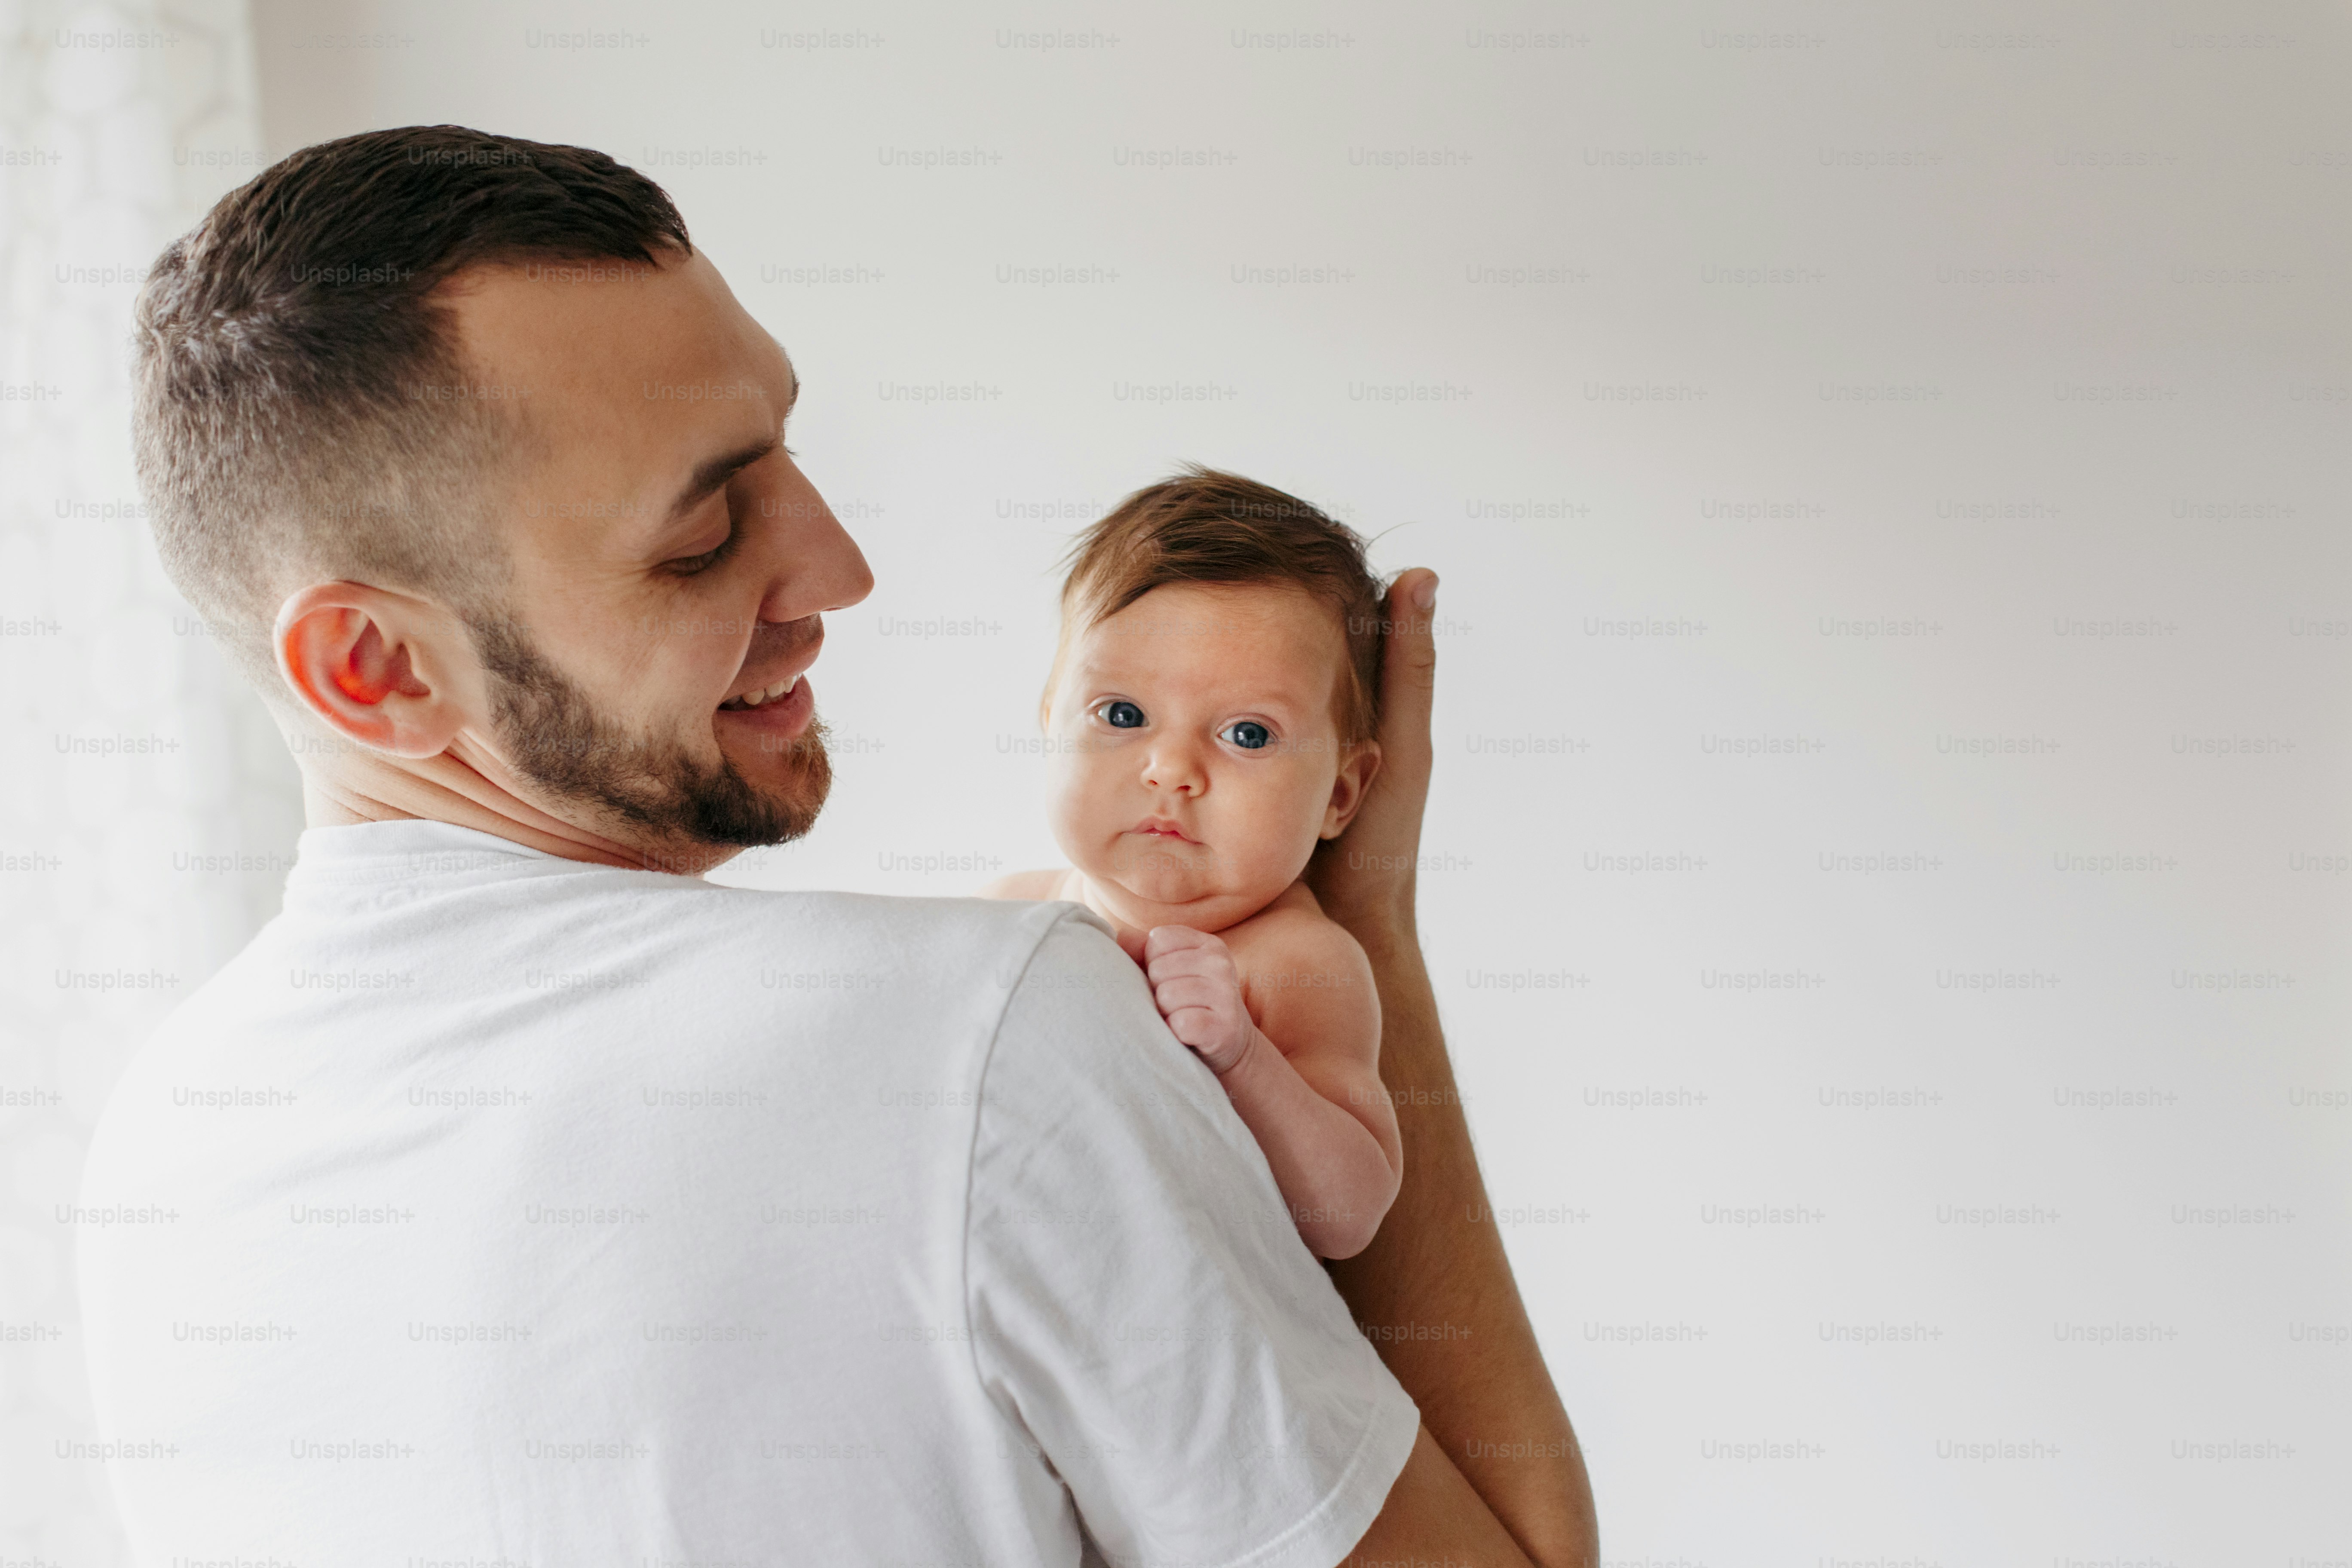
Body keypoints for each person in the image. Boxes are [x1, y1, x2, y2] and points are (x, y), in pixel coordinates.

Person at [74, 125, 1597, 1567]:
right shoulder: (990, 1037)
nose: (841, 572)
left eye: (783, 450)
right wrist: (1363, 914)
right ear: (378, 671)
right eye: (700, 535)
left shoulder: (164, 1146)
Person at [984, 469, 1403, 1261]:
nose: (1171, 768)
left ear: (1340, 795)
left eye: (1247, 734)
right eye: (1122, 716)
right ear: (1050, 723)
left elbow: (1349, 1216)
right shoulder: (1008, 913)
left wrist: (1245, 1057)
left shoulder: (1296, 963)